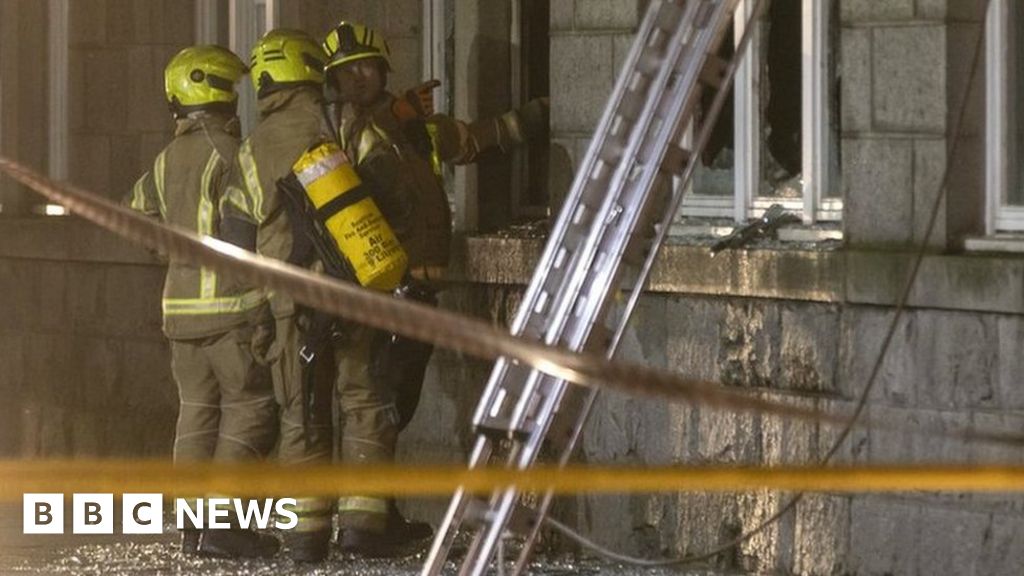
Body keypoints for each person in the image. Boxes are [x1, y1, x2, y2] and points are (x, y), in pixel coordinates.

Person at [219, 28, 428, 562]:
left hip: (291, 303)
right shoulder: (340, 124)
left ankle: (306, 537)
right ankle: (363, 526)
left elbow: (236, 236)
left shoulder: (251, 148)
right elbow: (393, 192)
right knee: (364, 404)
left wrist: (258, 313)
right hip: (352, 294)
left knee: (302, 416)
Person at [321, 20, 549, 434]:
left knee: (396, 410)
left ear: (383, 68)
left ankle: (372, 493)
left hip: (421, 295)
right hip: (379, 293)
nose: (356, 78)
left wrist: (542, 115)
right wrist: (395, 115)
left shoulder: (417, 128)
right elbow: (361, 147)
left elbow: (476, 139)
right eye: (345, 71)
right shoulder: (338, 131)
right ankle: (365, 495)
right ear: (333, 81)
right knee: (376, 409)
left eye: (365, 67)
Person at [128, 45, 279, 559]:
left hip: (180, 318)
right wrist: (263, 310)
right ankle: (225, 526)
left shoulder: (166, 159)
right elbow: (249, 238)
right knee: (250, 412)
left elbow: (138, 217)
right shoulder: (233, 154)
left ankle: (193, 527)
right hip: (232, 312)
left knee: (194, 416)